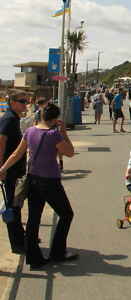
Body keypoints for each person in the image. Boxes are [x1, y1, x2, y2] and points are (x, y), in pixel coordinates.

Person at [0, 104, 77, 270]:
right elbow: (70, 152)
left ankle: (34, 258)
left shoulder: (30, 131)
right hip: (50, 181)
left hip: (33, 179)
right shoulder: (54, 134)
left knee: (34, 218)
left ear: (41, 115)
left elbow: (16, 154)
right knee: (66, 214)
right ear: (56, 119)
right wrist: (64, 132)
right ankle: (57, 252)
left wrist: (2, 169)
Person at [0, 91, 28, 254]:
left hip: (14, 171)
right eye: (22, 101)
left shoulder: (14, 118)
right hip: (10, 172)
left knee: (16, 204)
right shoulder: (9, 119)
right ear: (12, 102)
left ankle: (21, 236)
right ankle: (17, 243)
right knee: (13, 206)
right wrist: (2, 168)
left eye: (26, 101)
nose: (26, 104)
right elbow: (1, 142)